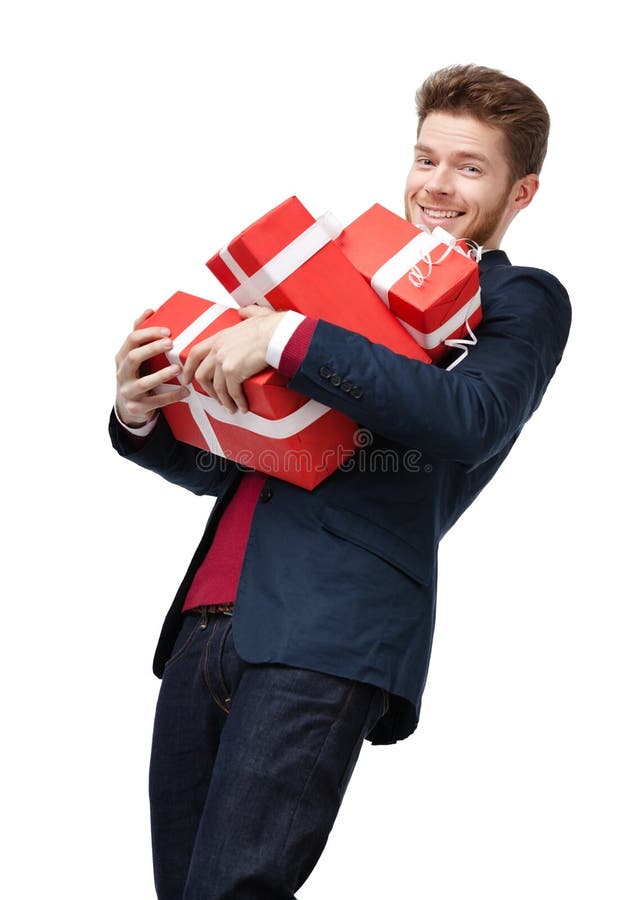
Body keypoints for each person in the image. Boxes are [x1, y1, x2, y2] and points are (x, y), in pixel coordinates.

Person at [110, 64, 571, 899]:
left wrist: (286, 337)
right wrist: (145, 412)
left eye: (469, 167)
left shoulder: (520, 299)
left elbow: (470, 417)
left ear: (521, 190)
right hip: (206, 627)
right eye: (425, 158)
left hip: (327, 631)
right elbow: (242, 464)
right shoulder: (343, 284)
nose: (436, 184)